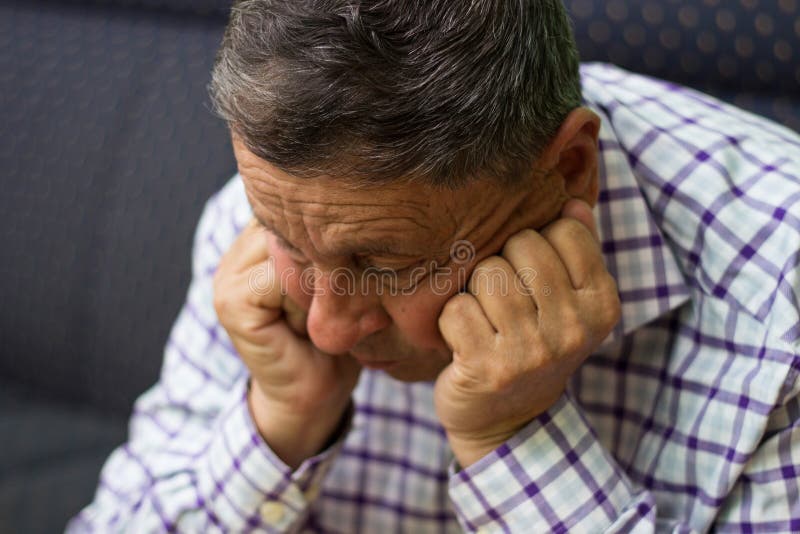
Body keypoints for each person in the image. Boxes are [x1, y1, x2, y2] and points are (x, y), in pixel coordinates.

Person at [68, 1, 800, 532]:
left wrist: (516, 441)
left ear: (570, 168)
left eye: (384, 263)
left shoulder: (782, 300)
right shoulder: (288, 205)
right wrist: (281, 421)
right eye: (285, 238)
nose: (324, 328)